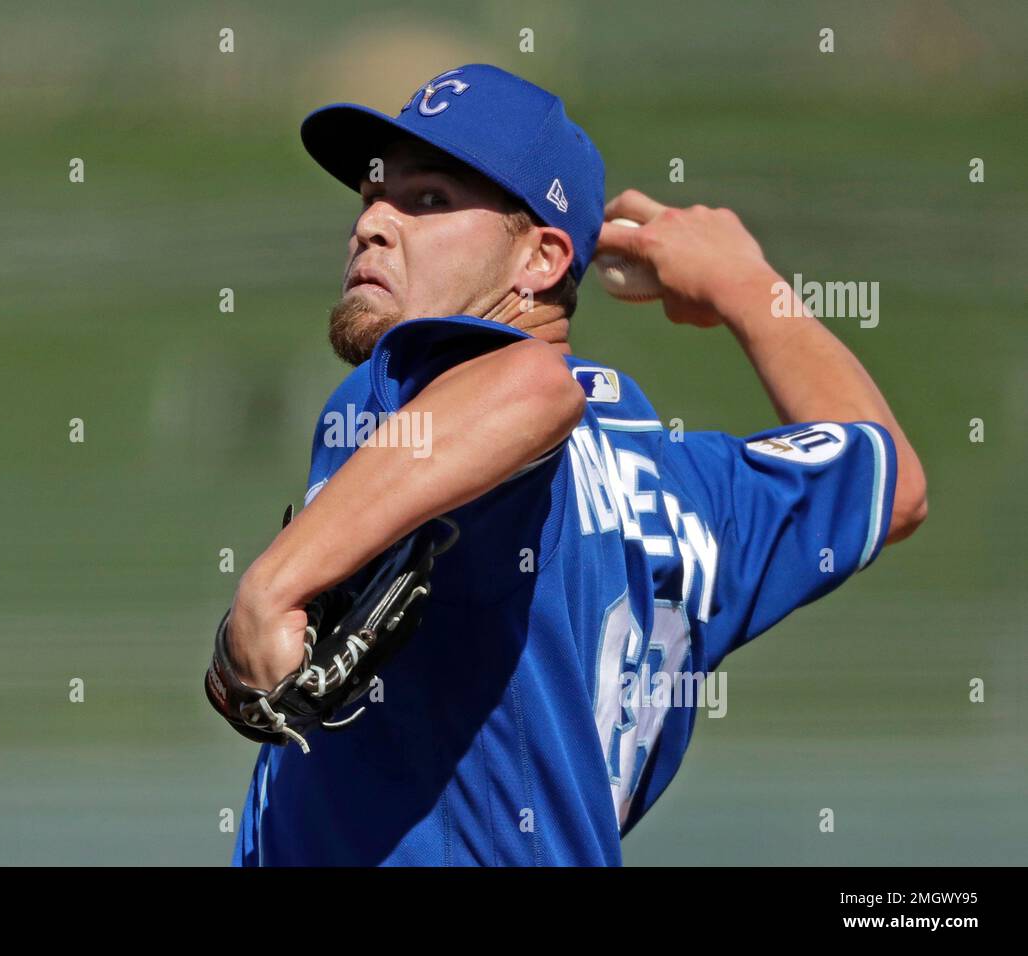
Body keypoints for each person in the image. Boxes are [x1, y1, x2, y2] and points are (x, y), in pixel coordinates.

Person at [220, 64, 926, 865]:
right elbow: (893, 479)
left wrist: (271, 587)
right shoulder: (688, 489)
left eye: (430, 199)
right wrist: (746, 286)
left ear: (541, 260)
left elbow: (532, 386)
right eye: (372, 197)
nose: (373, 224)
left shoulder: (426, 387)